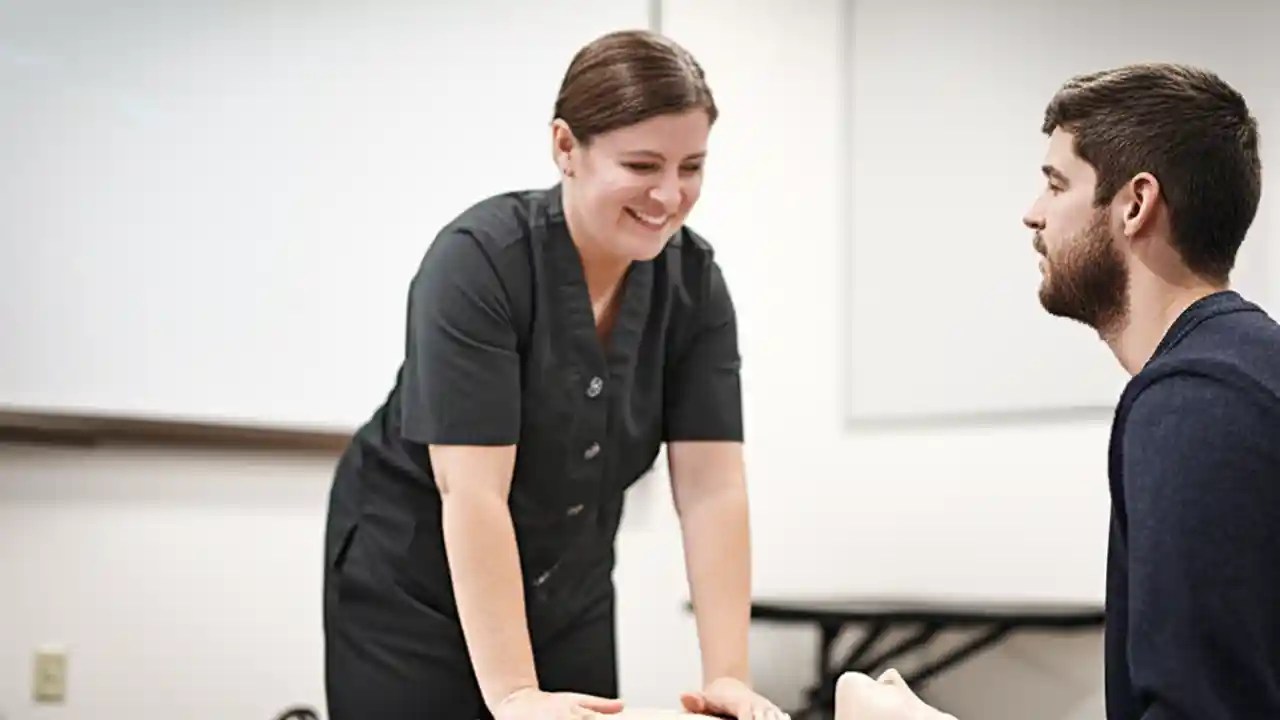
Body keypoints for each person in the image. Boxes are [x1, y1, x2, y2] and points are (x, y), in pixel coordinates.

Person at [321, 28, 787, 720]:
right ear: (566, 146)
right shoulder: (478, 263)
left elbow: (712, 489)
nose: (669, 195)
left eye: (691, 166)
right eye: (642, 165)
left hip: (570, 586)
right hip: (417, 579)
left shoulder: (695, 287)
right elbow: (473, 492)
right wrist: (515, 693)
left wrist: (728, 676)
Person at [840, 62, 1280, 719]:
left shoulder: (1194, 403)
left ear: (1135, 204)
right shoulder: (1244, 373)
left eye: (1055, 184)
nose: (1033, 214)